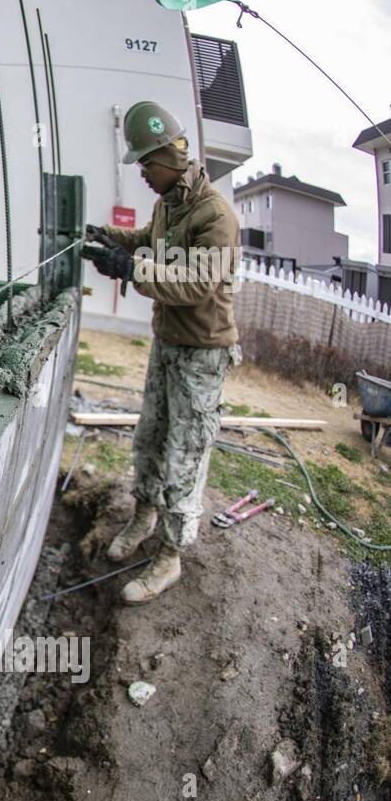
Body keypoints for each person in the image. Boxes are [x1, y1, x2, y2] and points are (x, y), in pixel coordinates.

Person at [83, 100, 241, 604]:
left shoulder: (216, 216)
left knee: (186, 456)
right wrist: (110, 239)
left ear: (169, 155)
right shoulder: (167, 204)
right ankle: (144, 514)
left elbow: (195, 283)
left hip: (202, 354)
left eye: (145, 164)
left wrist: (129, 269)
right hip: (168, 344)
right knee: (150, 439)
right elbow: (148, 240)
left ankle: (170, 554)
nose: (142, 174)